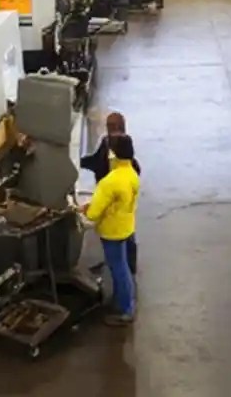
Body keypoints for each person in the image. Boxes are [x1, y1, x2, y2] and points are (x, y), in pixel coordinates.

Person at [81, 134, 140, 326]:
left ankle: (125, 310)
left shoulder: (110, 182)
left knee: (118, 268)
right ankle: (126, 301)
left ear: (113, 154)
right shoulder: (132, 173)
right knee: (122, 266)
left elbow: (93, 214)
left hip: (111, 231)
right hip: (125, 226)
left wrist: (85, 208)